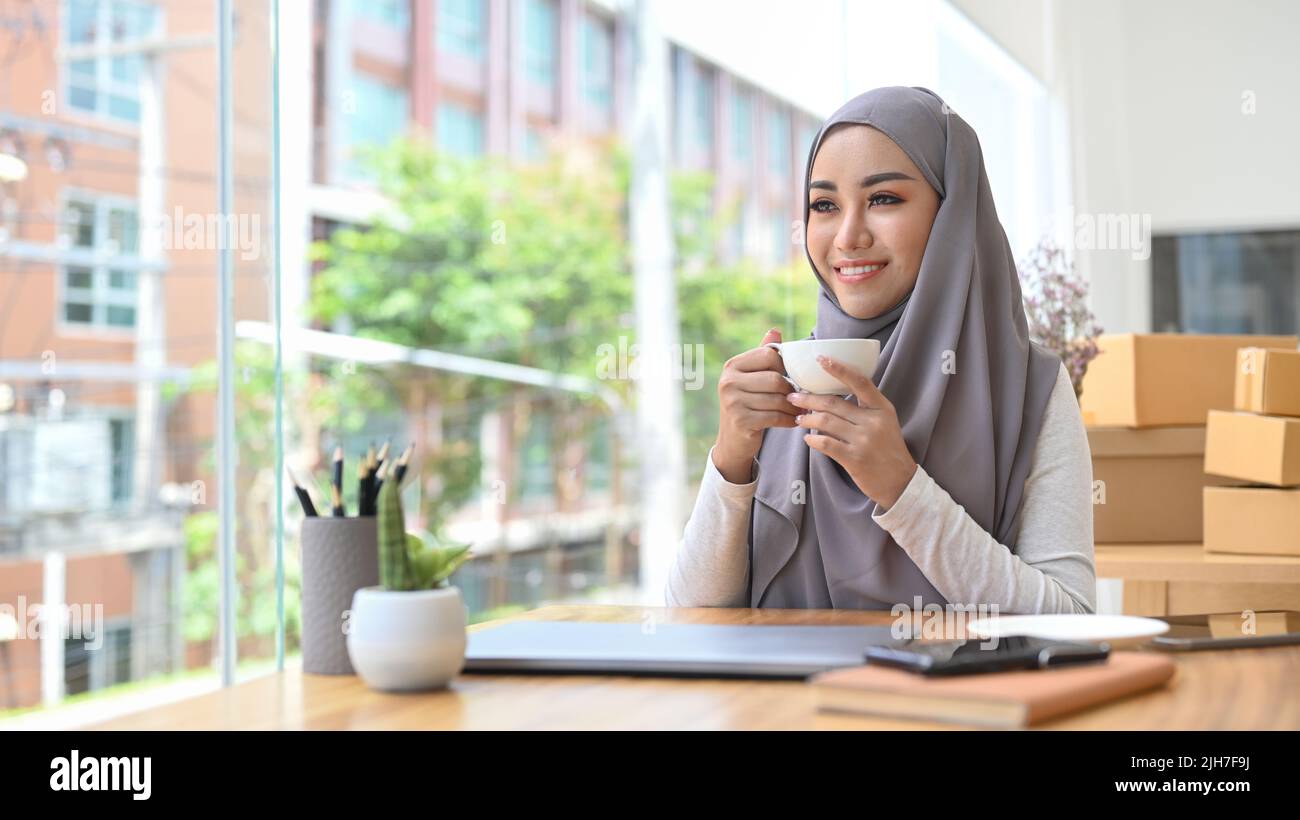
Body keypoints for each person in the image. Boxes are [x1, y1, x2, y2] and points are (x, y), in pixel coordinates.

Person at [665, 86, 1096, 614]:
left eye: (883, 199)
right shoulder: (785, 383)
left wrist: (902, 487)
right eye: (824, 205)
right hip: (787, 698)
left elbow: (1071, 619)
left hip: (964, 697)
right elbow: (686, 617)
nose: (847, 236)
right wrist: (732, 461)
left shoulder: (1029, 389)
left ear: (952, 214)